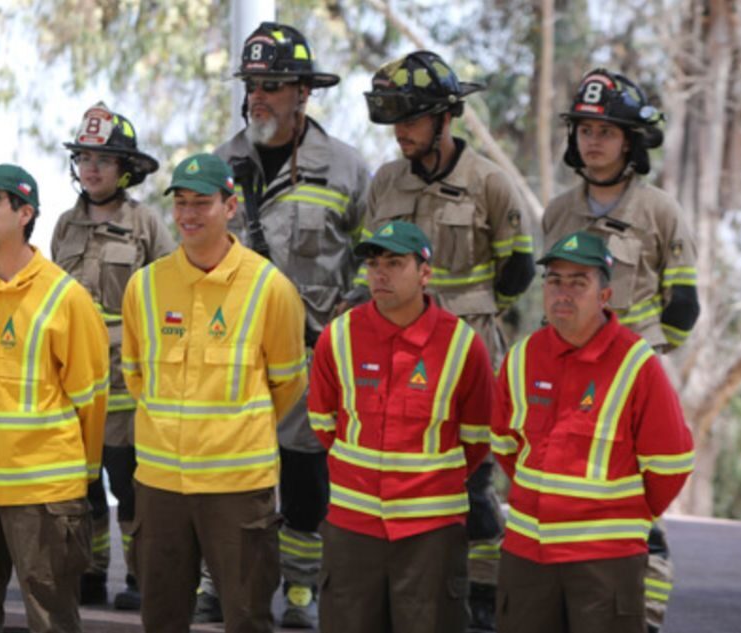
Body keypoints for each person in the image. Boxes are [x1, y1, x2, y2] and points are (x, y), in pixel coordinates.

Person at [361, 50, 536, 630]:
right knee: (406, 478)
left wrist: (468, 316)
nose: (400, 133)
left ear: (445, 118)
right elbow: (373, 266)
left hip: (469, 353)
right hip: (397, 357)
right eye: (394, 121)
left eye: (410, 119)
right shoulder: (385, 181)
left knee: (473, 479)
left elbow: (517, 272)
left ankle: (483, 597)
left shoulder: (490, 183)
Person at [210, 21, 371, 629]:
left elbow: (372, 262)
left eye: (273, 84)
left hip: (311, 359)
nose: (259, 96)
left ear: (304, 92)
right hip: (232, 362)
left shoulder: (347, 170)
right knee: (229, 483)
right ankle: (224, 587)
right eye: (252, 83)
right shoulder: (220, 166)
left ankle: (303, 592)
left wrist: (340, 330)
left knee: (305, 478)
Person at [121, 153, 307, 633]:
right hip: (160, 486)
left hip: (239, 490)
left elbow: (287, 384)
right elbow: (136, 375)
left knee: (247, 618)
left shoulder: (271, 289)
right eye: (180, 202)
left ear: (230, 207)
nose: (187, 215)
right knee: (161, 617)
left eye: (201, 203)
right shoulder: (144, 287)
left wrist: (233, 437)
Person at [542, 69, 701, 632]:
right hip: (567, 380)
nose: (593, 141)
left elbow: (682, 305)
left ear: (631, 140)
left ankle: (645, 615)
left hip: (633, 378)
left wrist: (644, 359)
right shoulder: (558, 213)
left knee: (636, 504)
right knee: (569, 496)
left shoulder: (660, 212)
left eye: (606, 131)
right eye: (585, 129)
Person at [490, 231, 694, 633]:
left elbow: (670, 466)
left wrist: (617, 519)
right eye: (554, 280)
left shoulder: (637, 365)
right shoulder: (520, 358)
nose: (562, 292)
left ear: (604, 296)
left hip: (605, 563)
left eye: (578, 282)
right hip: (527, 558)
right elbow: (506, 446)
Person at [0, 164, 110, 633]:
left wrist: (79, 482)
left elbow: (91, 401)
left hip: (41, 497)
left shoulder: (65, 298)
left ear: (25, 213)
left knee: (51, 621)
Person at [308, 220, 495, 633]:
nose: (380, 274)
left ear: (425, 273)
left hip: (431, 535)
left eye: (395, 263)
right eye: (374, 264)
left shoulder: (463, 345)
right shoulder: (338, 338)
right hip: (352, 528)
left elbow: (477, 439)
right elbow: (324, 423)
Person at [51, 101, 175, 609]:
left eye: (103, 159)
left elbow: (171, 291)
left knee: (129, 485)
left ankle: (140, 579)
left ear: (125, 168)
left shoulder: (146, 223)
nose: (93, 168)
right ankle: (89, 571)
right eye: (84, 158)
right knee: (80, 486)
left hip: (126, 382)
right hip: (73, 381)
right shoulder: (62, 225)